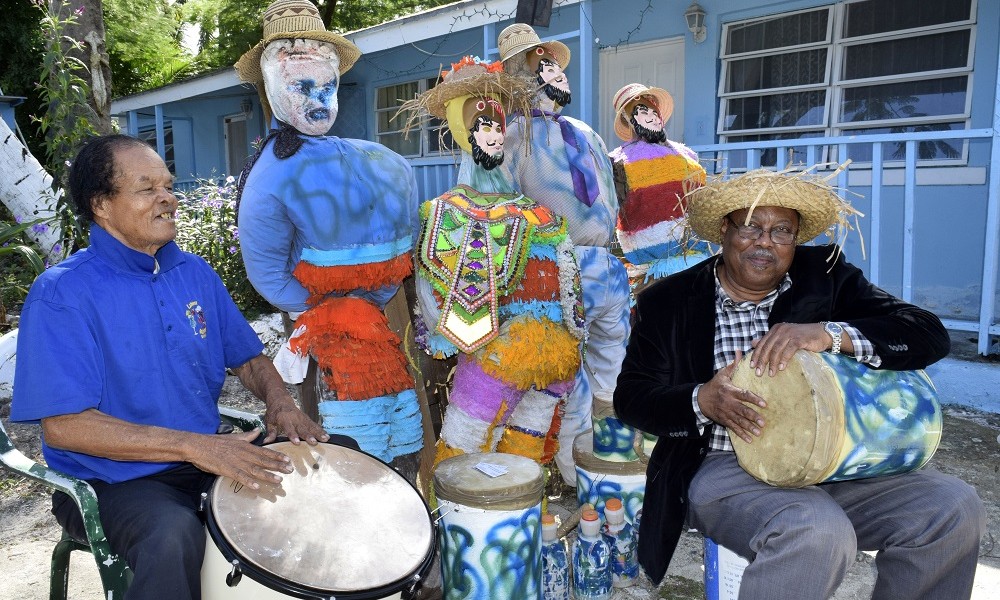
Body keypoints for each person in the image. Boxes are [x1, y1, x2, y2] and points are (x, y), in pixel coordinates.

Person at [614, 168, 986, 598]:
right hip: (722, 468)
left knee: (951, 507)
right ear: (723, 230)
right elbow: (632, 398)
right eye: (751, 226)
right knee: (816, 531)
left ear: (795, 240)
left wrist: (830, 333)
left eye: (781, 231)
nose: (765, 242)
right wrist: (702, 400)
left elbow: (926, 332)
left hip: (838, 460)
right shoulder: (669, 301)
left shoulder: (825, 275)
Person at [10, 134, 329, 600]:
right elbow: (65, 427)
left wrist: (281, 405)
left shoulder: (193, 272)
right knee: (172, 534)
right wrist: (197, 447)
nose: (168, 199)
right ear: (101, 204)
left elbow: (247, 357)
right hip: (110, 479)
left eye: (168, 186)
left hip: (202, 459)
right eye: (147, 189)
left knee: (330, 462)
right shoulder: (63, 294)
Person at [234, 0, 423, 479]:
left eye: (328, 84)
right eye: (301, 85)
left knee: (399, 419)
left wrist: (361, 299)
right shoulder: (271, 175)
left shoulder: (382, 161)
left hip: (380, 319)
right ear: (271, 86)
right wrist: (334, 307)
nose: (318, 99)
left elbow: (403, 248)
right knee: (341, 436)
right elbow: (269, 274)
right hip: (325, 332)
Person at [401, 56, 584, 467]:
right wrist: (447, 335)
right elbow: (435, 290)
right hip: (491, 356)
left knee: (526, 447)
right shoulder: (445, 212)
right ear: (464, 133)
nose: (495, 134)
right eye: (483, 125)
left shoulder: (540, 214)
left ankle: (520, 518)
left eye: (498, 125)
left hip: (550, 354)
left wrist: (571, 337)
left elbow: (565, 282)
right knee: (465, 446)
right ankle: (466, 519)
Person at [498, 23, 630, 486]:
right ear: (520, 76)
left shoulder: (584, 132)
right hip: (555, 269)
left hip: (602, 268)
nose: (554, 74)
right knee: (569, 379)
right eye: (541, 65)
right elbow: (494, 206)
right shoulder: (511, 136)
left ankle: (609, 465)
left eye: (554, 65)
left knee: (611, 371)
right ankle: (585, 477)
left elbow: (611, 195)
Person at [608, 83, 708, 291]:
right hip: (651, 271)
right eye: (642, 111)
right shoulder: (617, 161)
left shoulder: (687, 155)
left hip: (697, 260)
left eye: (655, 111)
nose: (652, 116)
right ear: (628, 120)